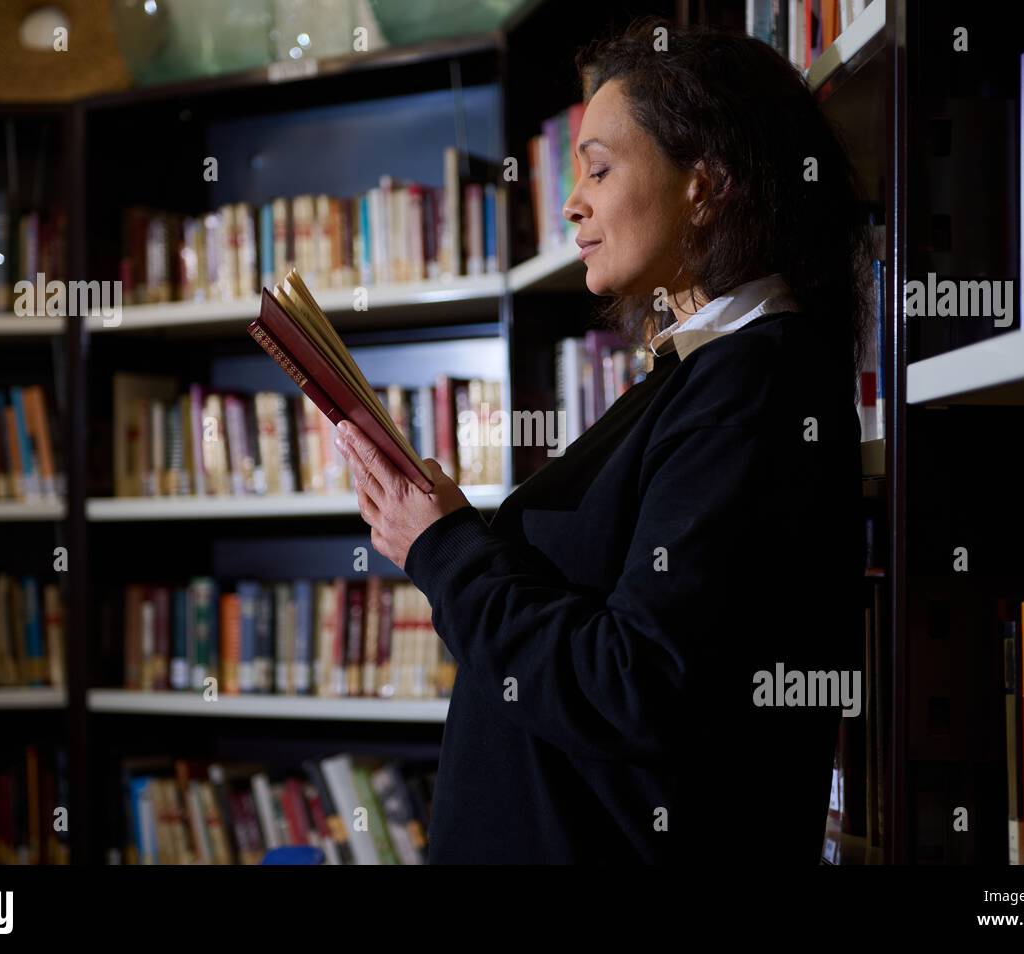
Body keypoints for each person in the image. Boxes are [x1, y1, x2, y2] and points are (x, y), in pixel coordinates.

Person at [335, 15, 872, 864]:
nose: (570, 201)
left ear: (707, 183)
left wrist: (442, 550)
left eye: (598, 168)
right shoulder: (697, 372)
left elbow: (638, 683)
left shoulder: (754, 382)